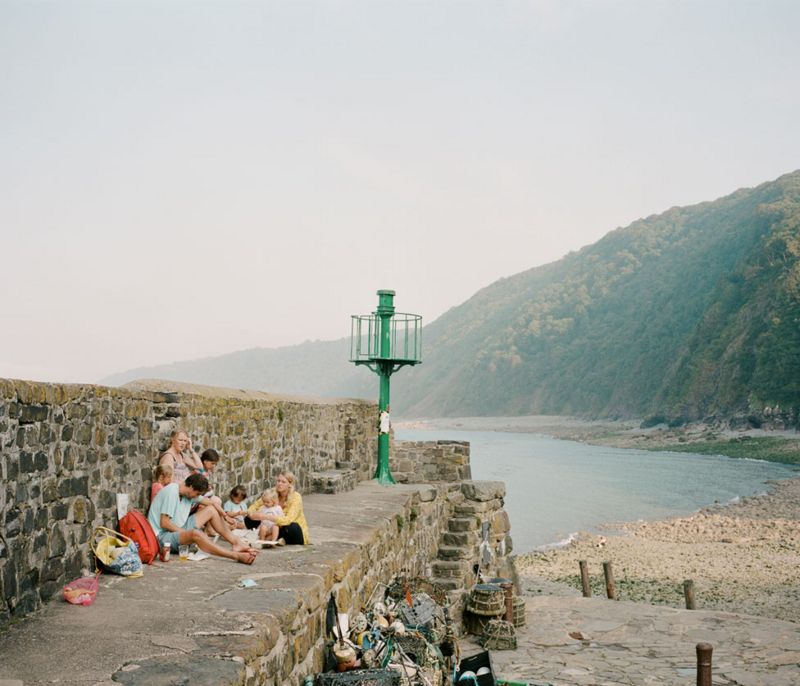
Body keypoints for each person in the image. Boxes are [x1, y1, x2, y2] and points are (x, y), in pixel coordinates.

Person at [147, 473, 258, 564]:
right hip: (161, 537)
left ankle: (236, 542)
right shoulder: (172, 492)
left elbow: (212, 503)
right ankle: (235, 555)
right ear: (191, 487)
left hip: (177, 530)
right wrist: (188, 533)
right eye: (197, 494)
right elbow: (164, 523)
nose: (197, 496)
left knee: (211, 510)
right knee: (196, 534)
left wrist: (225, 516)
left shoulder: (188, 494)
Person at [246, 470, 309, 545]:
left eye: (283, 482)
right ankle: (274, 539)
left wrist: (266, 517)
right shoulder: (273, 492)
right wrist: (251, 513)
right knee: (248, 519)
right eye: (278, 481)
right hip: (272, 526)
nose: (279, 484)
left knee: (293, 527)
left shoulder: (296, 497)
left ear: (290, 484)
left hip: (288, 529)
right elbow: (255, 505)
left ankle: (268, 538)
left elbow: (288, 520)